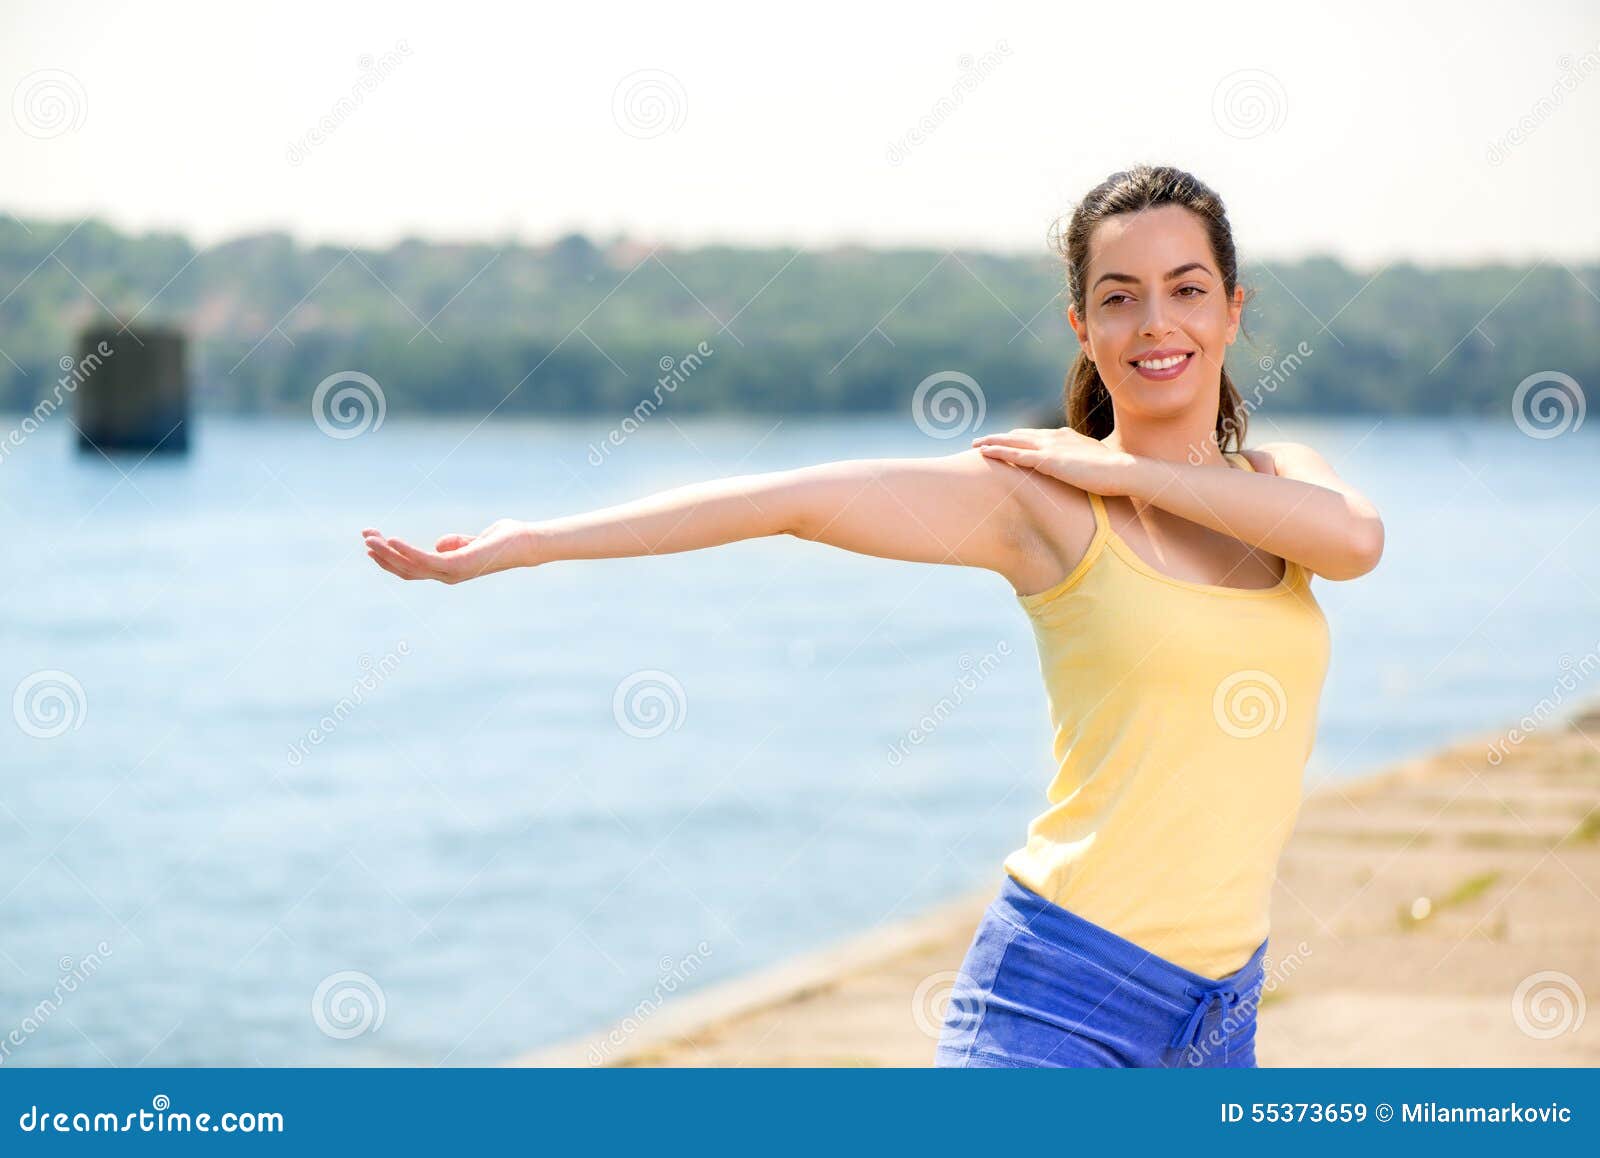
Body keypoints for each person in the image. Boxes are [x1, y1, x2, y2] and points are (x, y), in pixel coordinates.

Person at [360, 164, 1384, 1068]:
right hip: (1058, 1003)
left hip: (1218, 1021)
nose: (1155, 323)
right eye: (1119, 299)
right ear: (1082, 327)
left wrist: (1113, 464)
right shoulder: (1042, 500)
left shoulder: (1285, 484)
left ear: (1233, 309)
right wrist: (535, 540)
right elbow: (796, 499)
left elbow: (1358, 545)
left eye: (1185, 290)